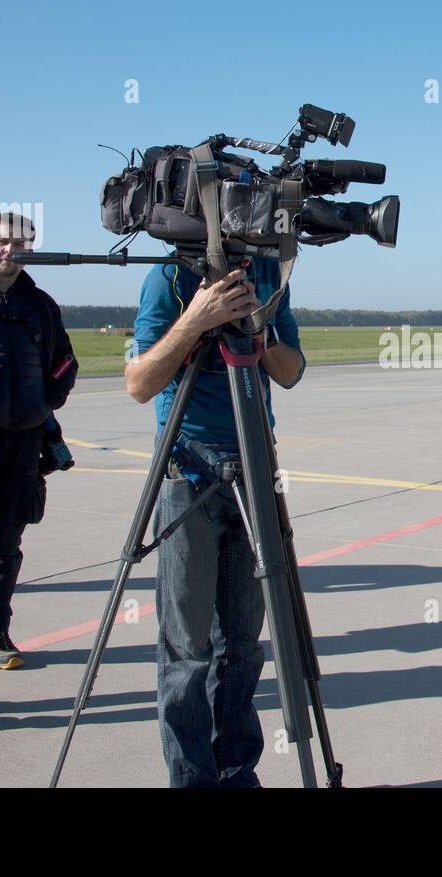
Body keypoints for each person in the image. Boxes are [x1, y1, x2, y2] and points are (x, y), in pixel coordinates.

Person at [126, 258, 305, 788]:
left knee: (244, 644)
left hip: (254, 465)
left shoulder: (270, 277)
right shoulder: (170, 279)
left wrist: (258, 328)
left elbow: (291, 371)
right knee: (187, 647)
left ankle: (236, 772)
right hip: (189, 470)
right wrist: (197, 319)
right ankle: (192, 780)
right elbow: (139, 382)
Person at [0, 212, 78, 669]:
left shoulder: (41, 304)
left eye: (21, 243)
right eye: (2, 242)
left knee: (4, 544)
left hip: (22, 445)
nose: (11, 250)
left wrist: (43, 403)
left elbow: (65, 362)